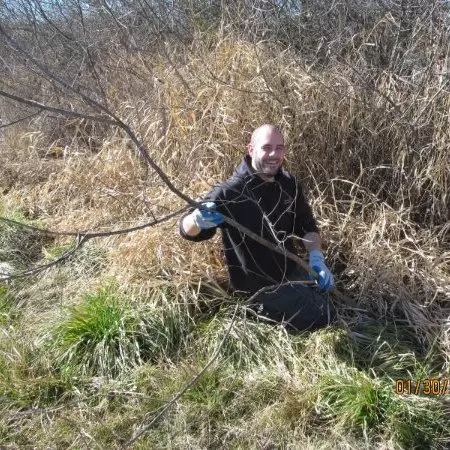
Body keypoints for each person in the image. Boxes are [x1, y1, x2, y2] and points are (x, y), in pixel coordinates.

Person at [179, 124, 336, 331]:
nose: (274, 154)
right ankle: (256, 316)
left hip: (290, 270)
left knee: (329, 298)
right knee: (326, 318)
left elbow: (307, 226)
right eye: (266, 147)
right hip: (259, 287)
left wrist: (317, 258)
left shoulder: (289, 184)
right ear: (251, 150)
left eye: (279, 148)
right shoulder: (230, 192)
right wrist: (196, 220)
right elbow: (185, 229)